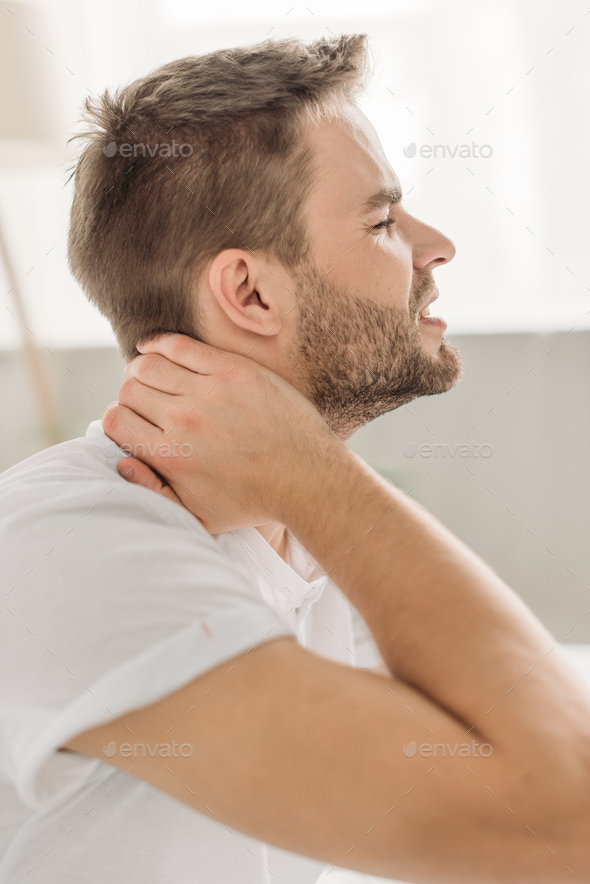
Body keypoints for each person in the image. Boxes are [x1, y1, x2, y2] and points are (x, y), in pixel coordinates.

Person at [0, 32, 589, 884]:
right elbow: (557, 821)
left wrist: (310, 480)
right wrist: (319, 476)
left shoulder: (296, 534)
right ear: (249, 294)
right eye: (384, 220)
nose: (437, 246)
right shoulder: (64, 541)